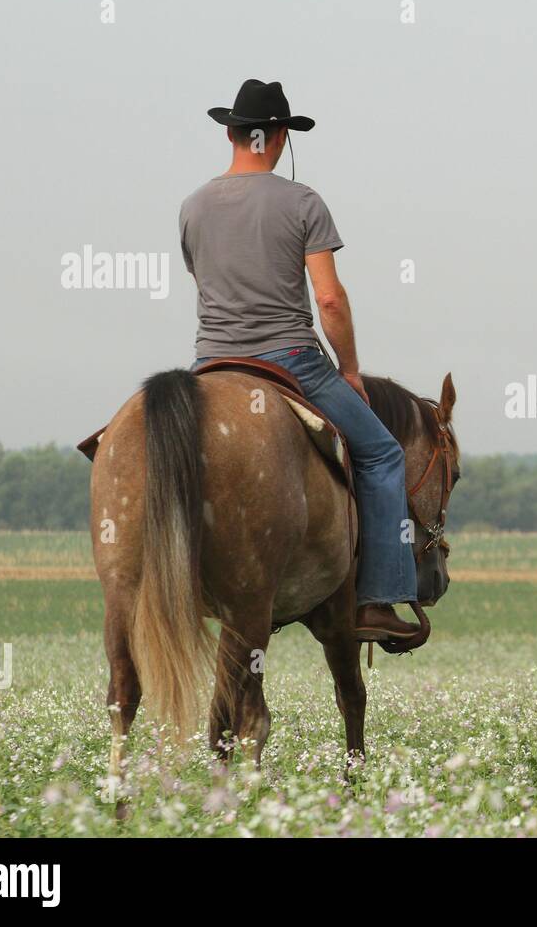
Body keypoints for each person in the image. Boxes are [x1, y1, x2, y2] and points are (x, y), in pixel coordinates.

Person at [179, 78, 420, 643]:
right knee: (383, 455)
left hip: (210, 364)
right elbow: (329, 299)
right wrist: (351, 369)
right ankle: (378, 599)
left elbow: (206, 282)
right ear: (279, 137)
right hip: (289, 360)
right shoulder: (302, 201)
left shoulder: (192, 207)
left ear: (234, 133)